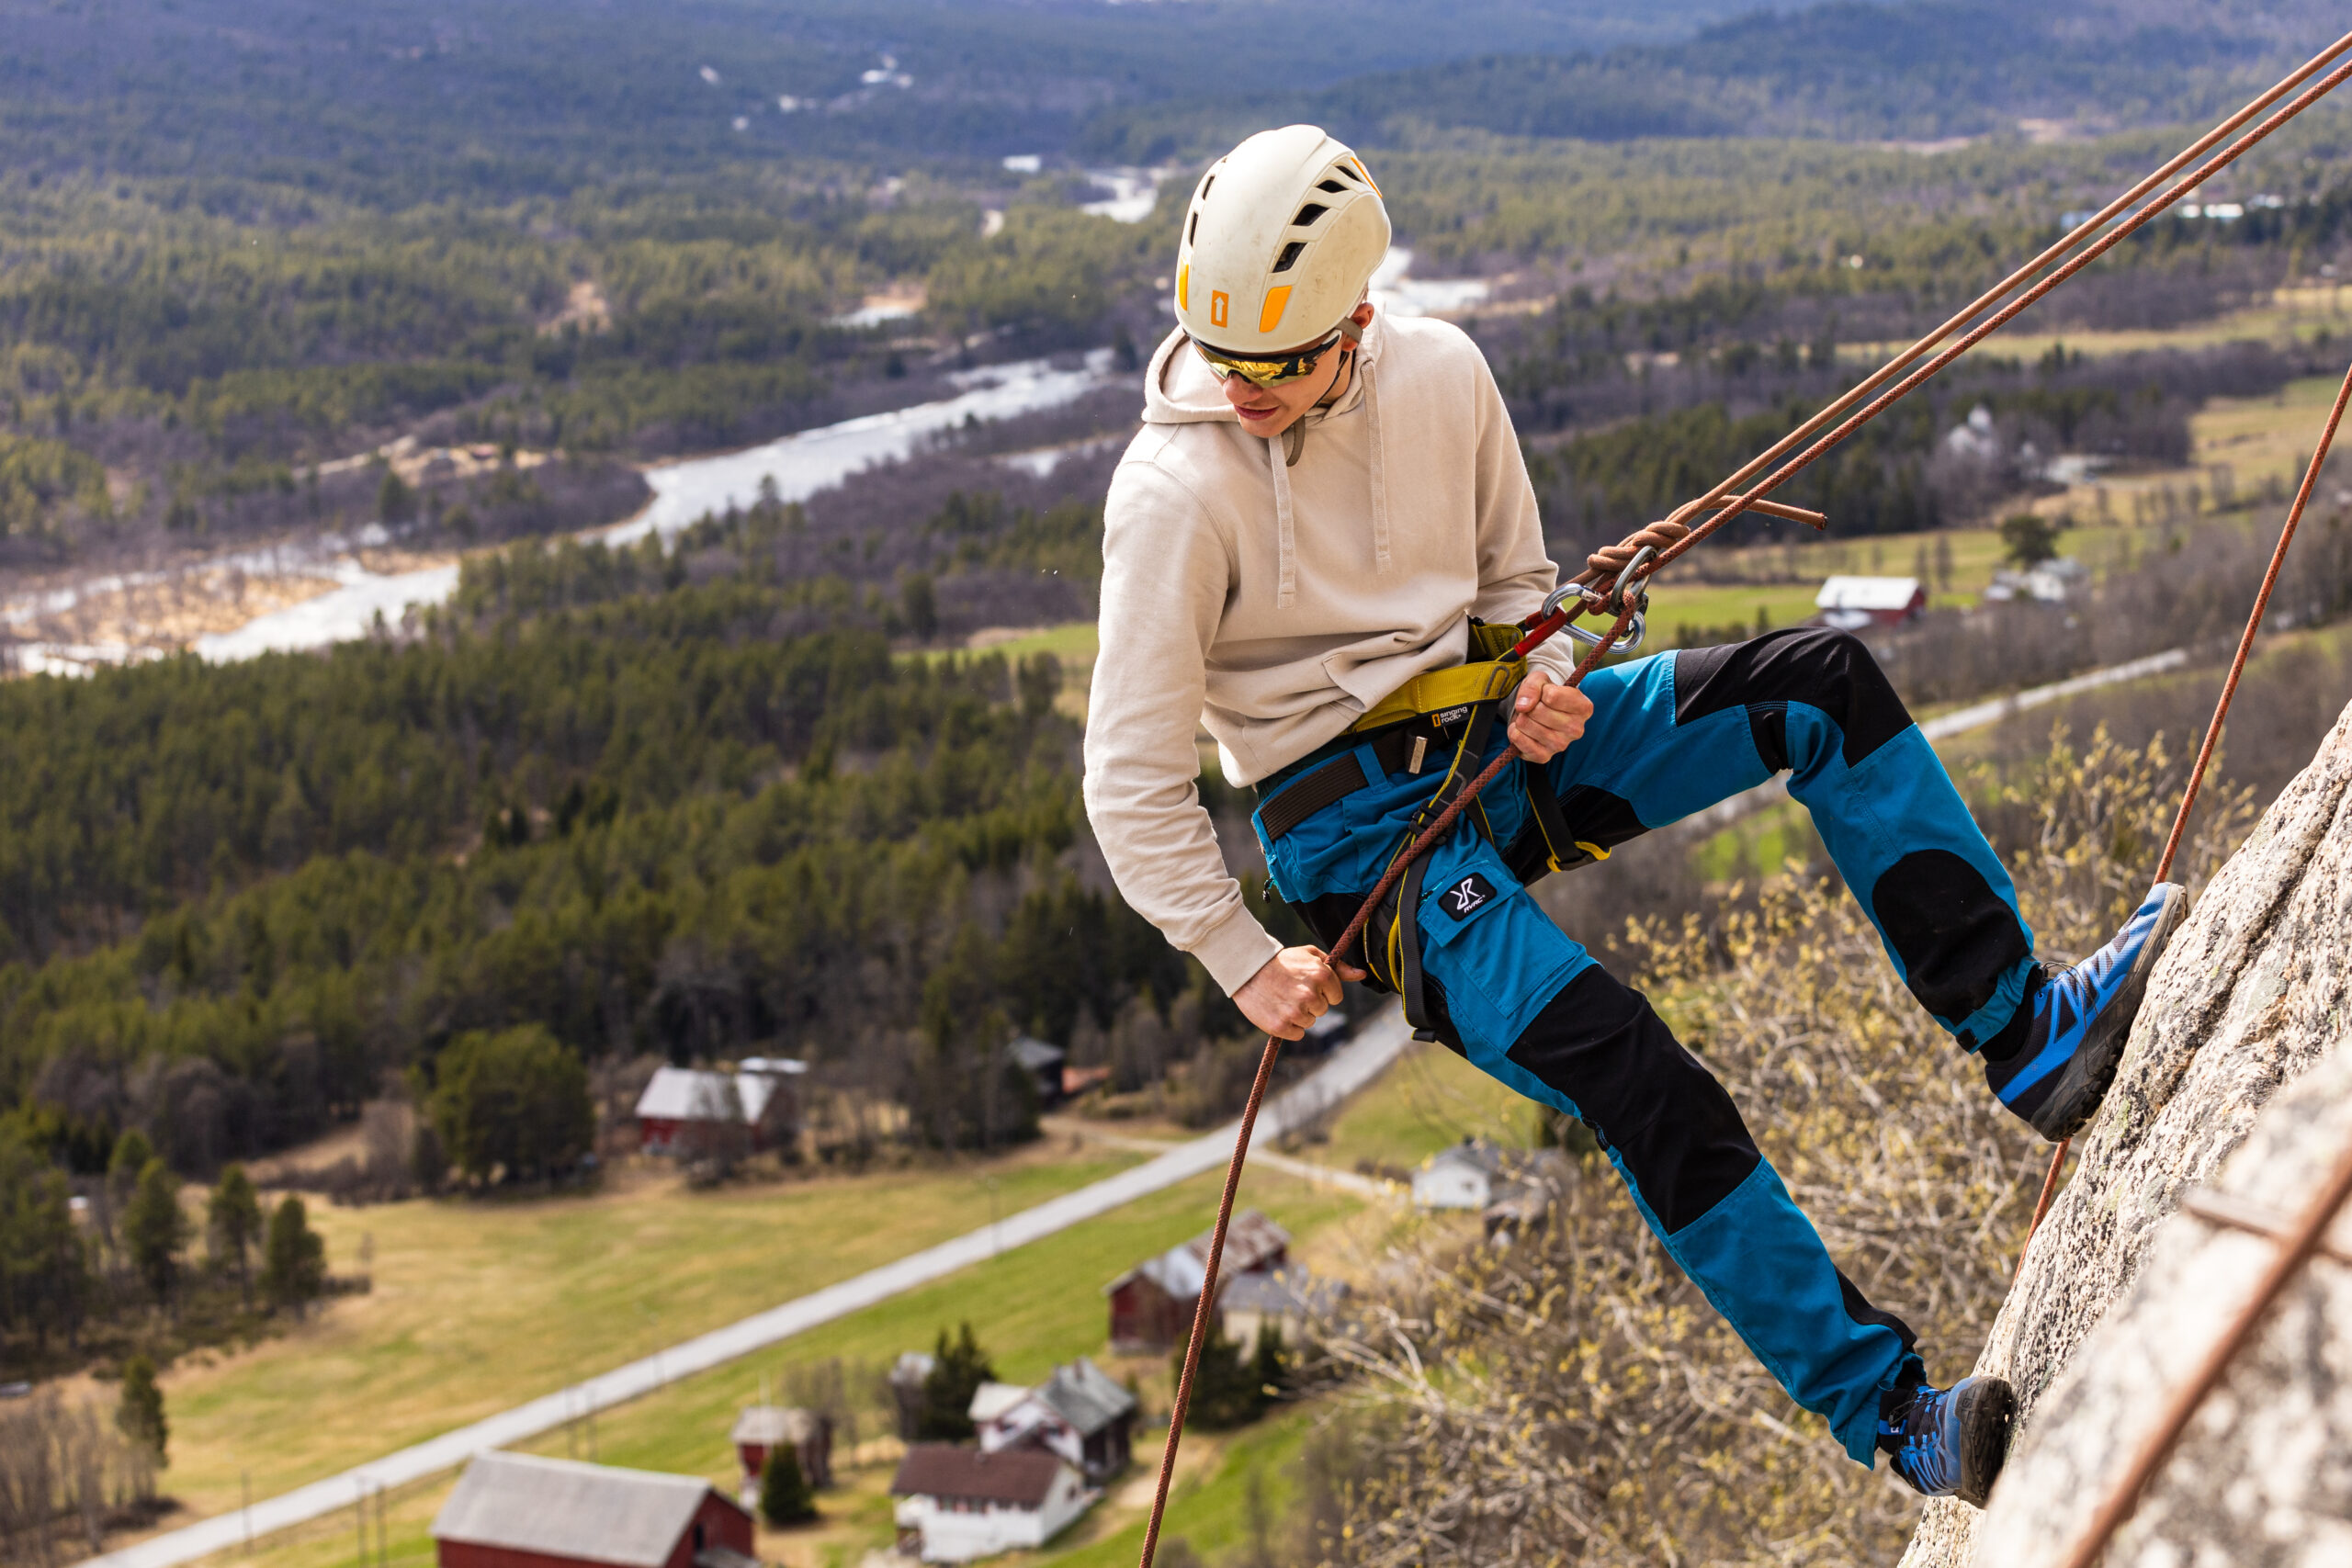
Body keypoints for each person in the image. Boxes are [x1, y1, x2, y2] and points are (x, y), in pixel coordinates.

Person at [1080, 124, 2185, 1508]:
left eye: (1280, 363)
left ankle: (2024, 1035)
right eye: (1224, 360)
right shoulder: (1172, 494)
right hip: (1358, 845)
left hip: (1493, 742)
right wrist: (1240, 956)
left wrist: (1546, 674)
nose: (1244, 390)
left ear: (1355, 320)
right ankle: (1893, 1412)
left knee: (1819, 687)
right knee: (1629, 1063)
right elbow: (1126, 776)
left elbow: (1518, 591)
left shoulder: (1442, 375)